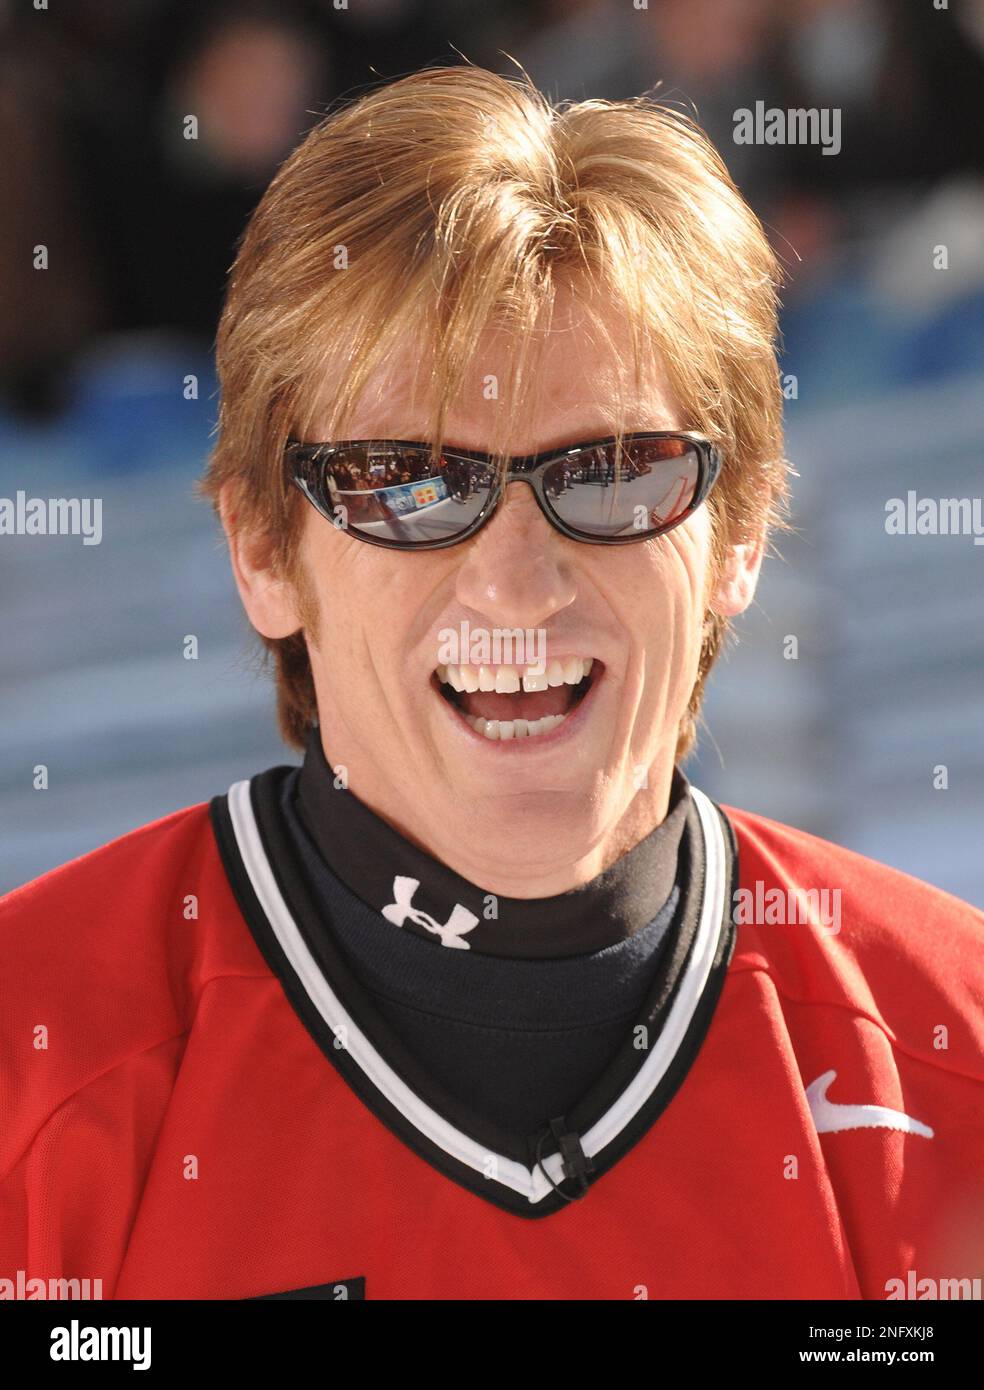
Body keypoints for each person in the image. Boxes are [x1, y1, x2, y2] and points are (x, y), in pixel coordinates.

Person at [2, 66, 982, 1303]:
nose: (518, 585)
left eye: (615, 471)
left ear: (739, 532)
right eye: (410, 479)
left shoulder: (956, 1060)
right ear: (262, 550)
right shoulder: (28, 1068)